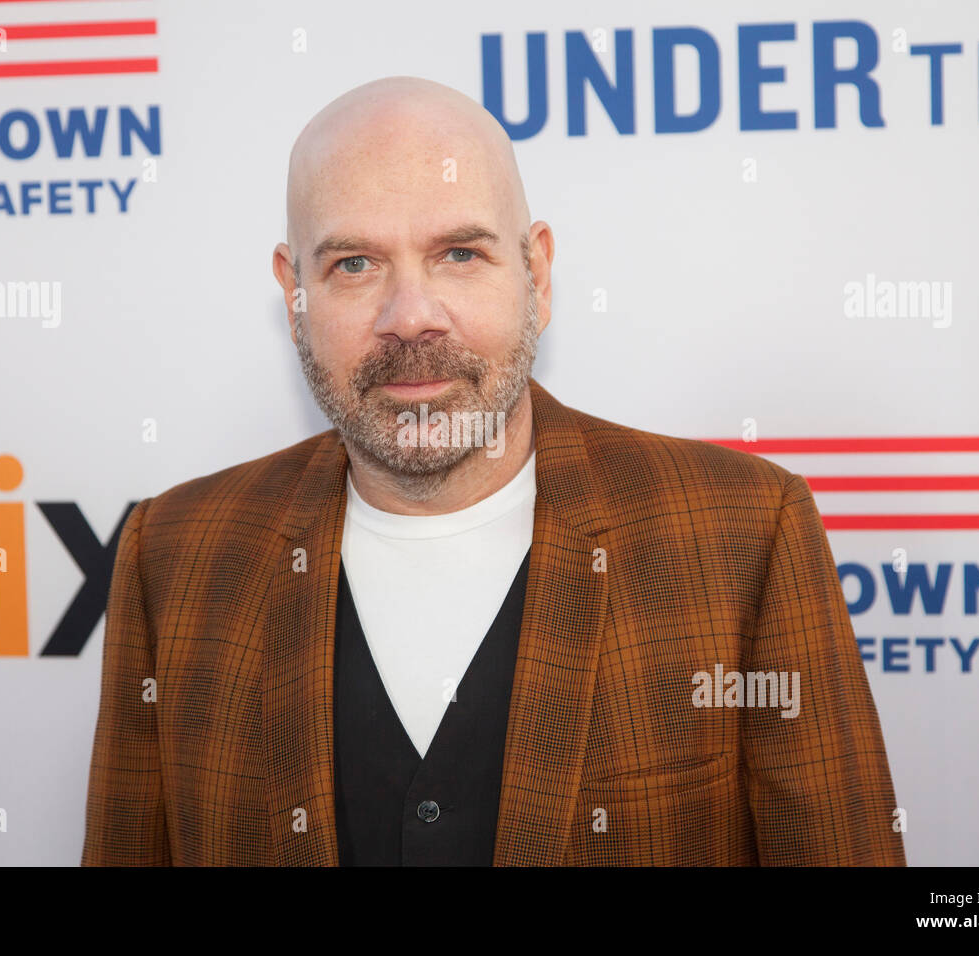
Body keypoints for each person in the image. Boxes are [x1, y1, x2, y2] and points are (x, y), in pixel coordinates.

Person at [81, 75, 906, 866]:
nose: (411, 318)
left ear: (537, 275)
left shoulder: (743, 536)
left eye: (460, 254)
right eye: (354, 265)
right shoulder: (173, 556)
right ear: (293, 291)